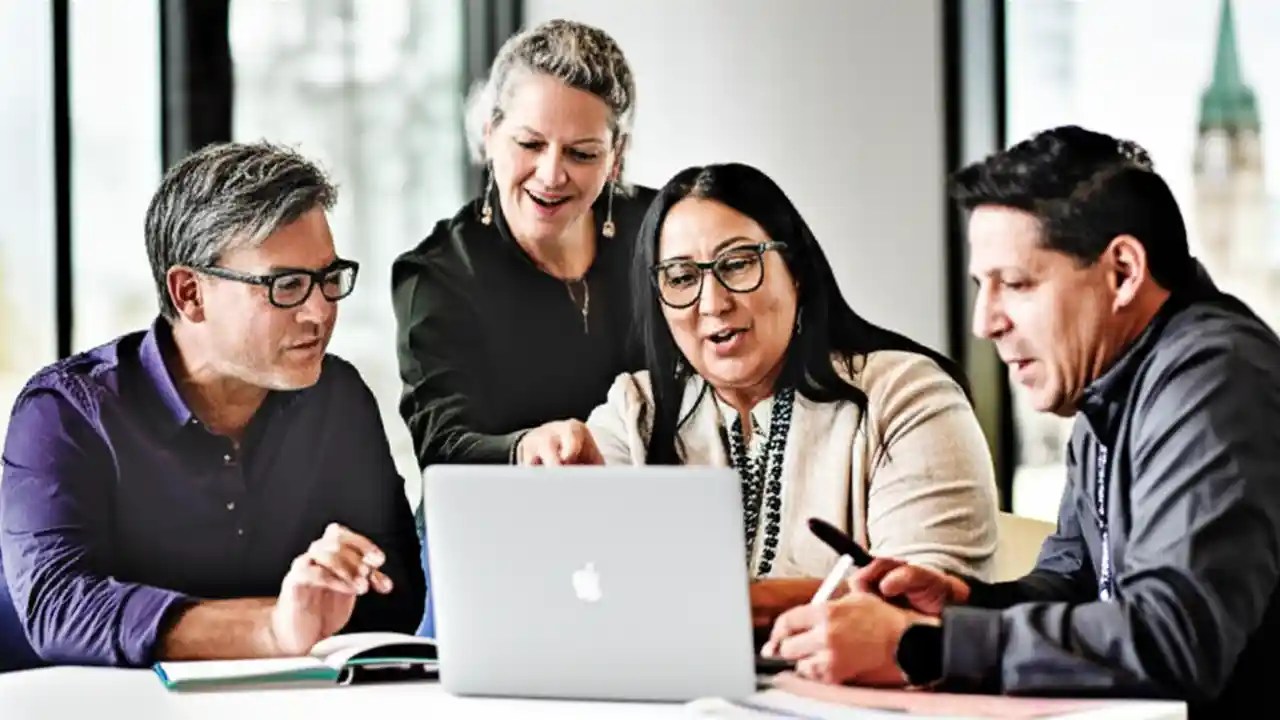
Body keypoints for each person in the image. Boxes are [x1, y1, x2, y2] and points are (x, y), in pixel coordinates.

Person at [762, 126, 1280, 716]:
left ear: (1123, 272)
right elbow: (1073, 584)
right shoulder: (1110, 386)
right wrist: (961, 606)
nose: (985, 322)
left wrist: (921, 647)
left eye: (1015, 284)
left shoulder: (1214, 377)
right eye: (983, 287)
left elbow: (1178, 637)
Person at [519, 163, 1000, 631]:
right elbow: (585, 588)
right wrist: (568, 498)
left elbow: (925, 597)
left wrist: (730, 602)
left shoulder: (907, 395)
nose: (713, 303)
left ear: (796, 271)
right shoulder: (635, 409)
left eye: (738, 264)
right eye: (682, 277)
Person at [0, 141, 424, 668]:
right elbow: (59, 607)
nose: (320, 311)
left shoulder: (337, 399)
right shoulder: (67, 412)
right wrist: (272, 628)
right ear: (189, 294)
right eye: (286, 285)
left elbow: (398, 598)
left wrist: (334, 591)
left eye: (328, 278)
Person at [391, 18, 655, 469]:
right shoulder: (438, 273)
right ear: (490, 134)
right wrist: (524, 448)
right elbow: (442, 442)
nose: (551, 175)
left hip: (640, 507)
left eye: (582, 153)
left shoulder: (667, 231)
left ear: (616, 157)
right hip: (498, 513)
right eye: (530, 143)